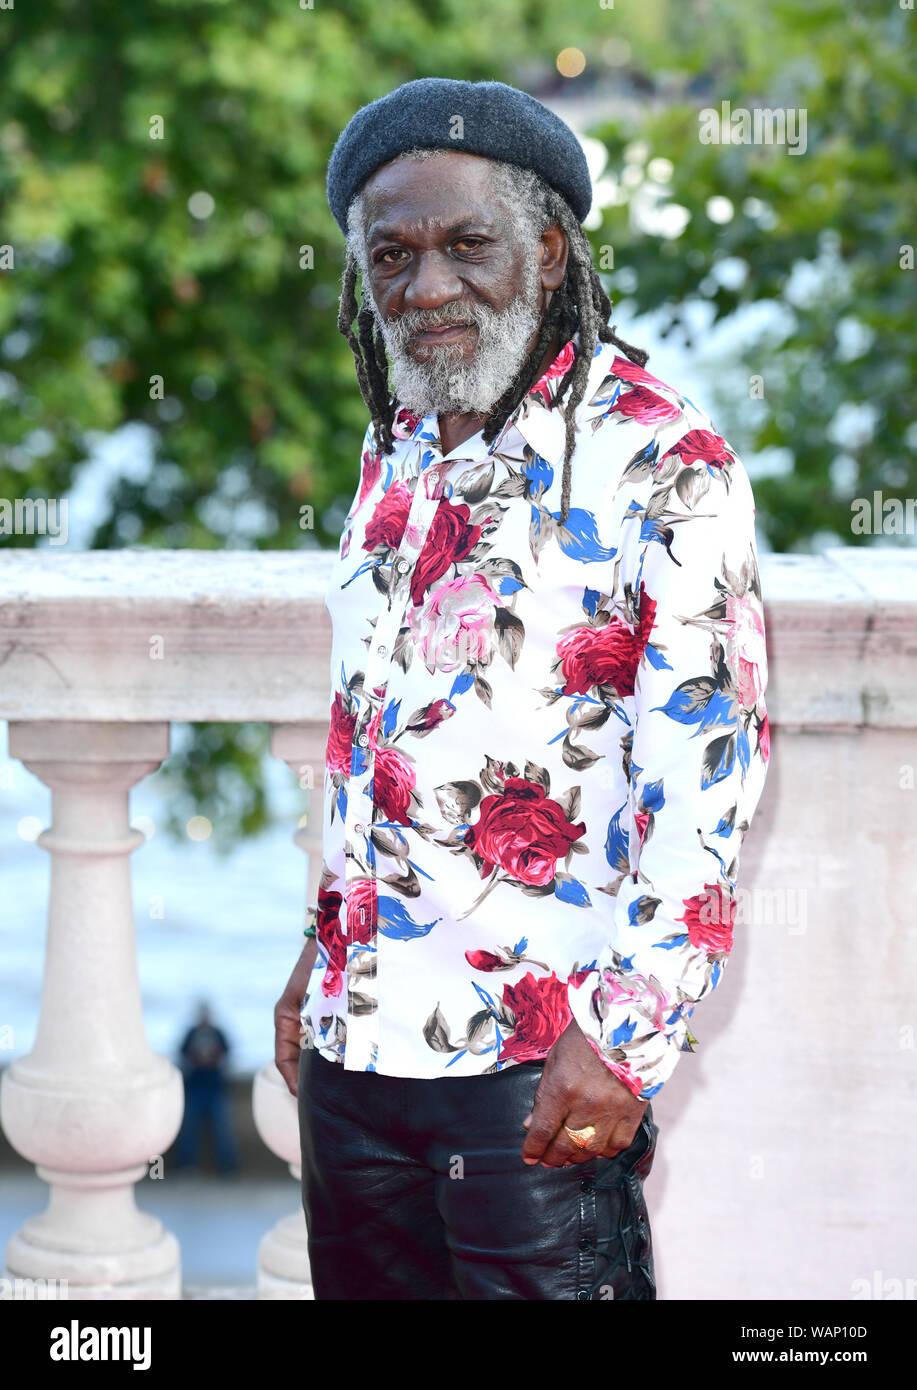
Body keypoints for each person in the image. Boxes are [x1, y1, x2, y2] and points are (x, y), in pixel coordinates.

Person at [273, 77, 770, 1300]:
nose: (426, 286)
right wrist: (319, 956)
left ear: (547, 253)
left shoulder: (663, 459)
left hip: (539, 1077)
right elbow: (372, 740)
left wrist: (627, 1040)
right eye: (392, 255)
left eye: (467, 244)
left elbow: (704, 781)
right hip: (356, 1058)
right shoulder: (396, 445)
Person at [175, 1001, 239, 1175]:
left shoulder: (218, 1033)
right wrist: (197, 1060)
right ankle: (186, 1166)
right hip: (195, 1088)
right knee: (188, 1129)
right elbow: (182, 1057)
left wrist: (212, 1060)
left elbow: (227, 1057)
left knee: (222, 1130)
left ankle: (228, 1168)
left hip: (215, 1089)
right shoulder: (191, 1034)